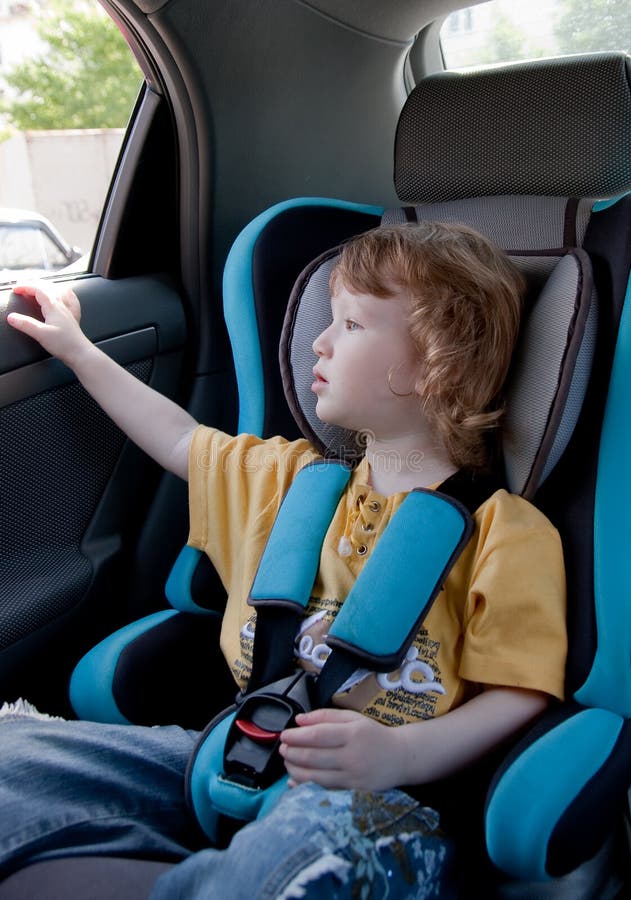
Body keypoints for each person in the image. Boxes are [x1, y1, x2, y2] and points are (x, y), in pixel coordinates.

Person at [2, 222, 567, 898]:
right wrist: (76, 347)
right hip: (233, 756)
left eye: (351, 324)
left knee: (299, 856)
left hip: (383, 805)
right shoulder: (286, 483)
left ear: (435, 360)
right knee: (13, 759)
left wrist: (401, 754)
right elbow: (178, 438)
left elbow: (521, 691)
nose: (319, 343)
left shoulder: (505, 532)